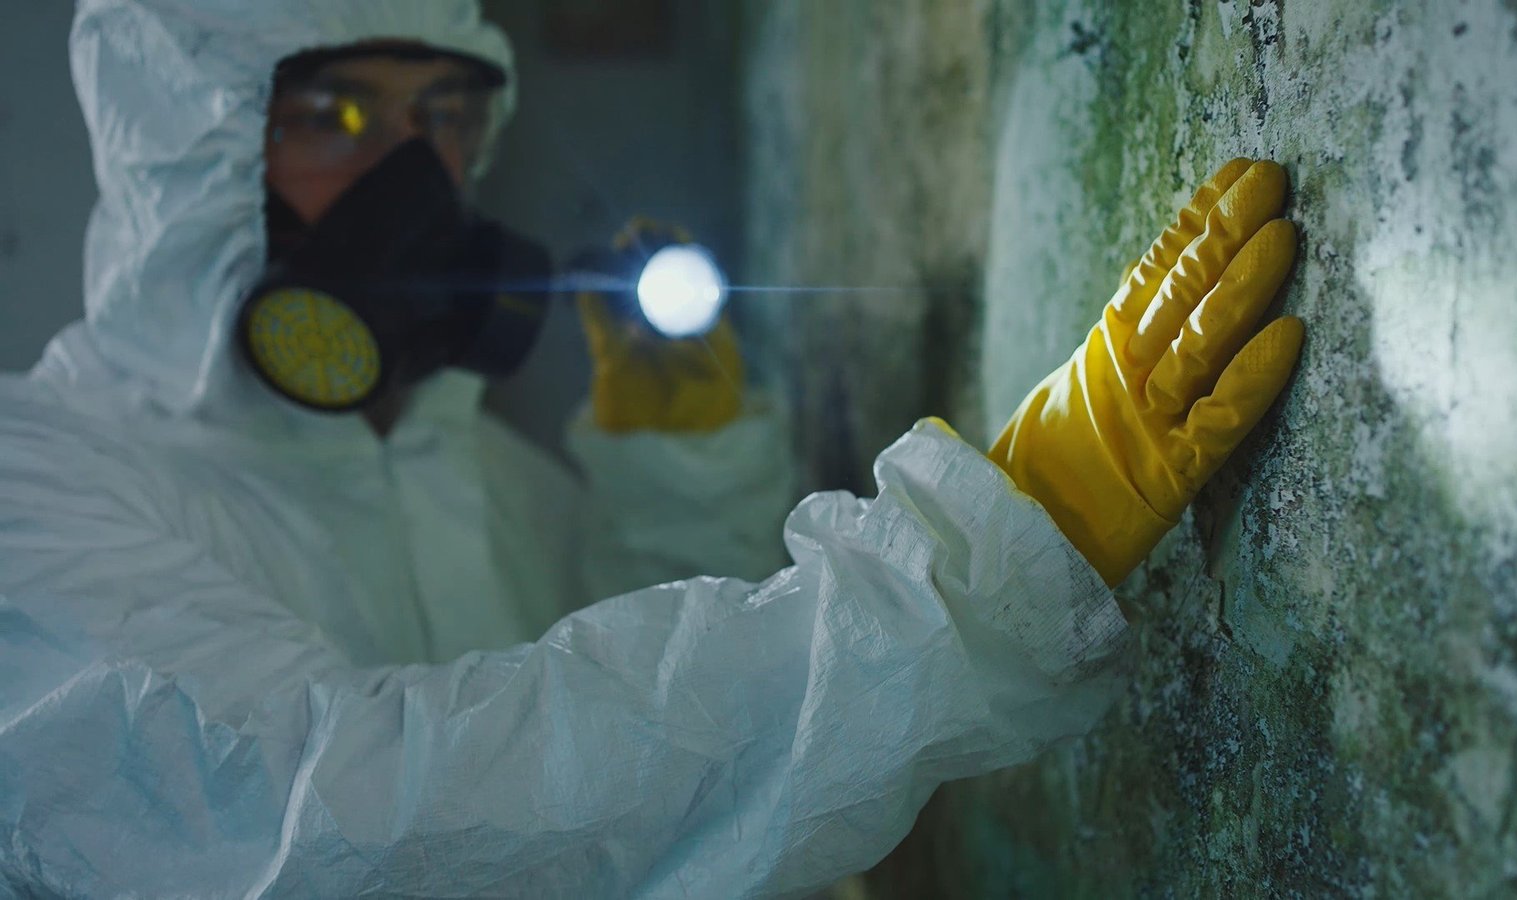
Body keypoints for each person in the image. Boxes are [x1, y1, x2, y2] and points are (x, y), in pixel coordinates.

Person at [0, 2, 1304, 897]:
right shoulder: (38, 483)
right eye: (336, 114)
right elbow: (345, 837)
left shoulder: (486, 482)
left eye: (447, 113)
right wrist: (966, 580)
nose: (416, 169)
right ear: (191, 149)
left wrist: (675, 485)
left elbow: (675, 793)